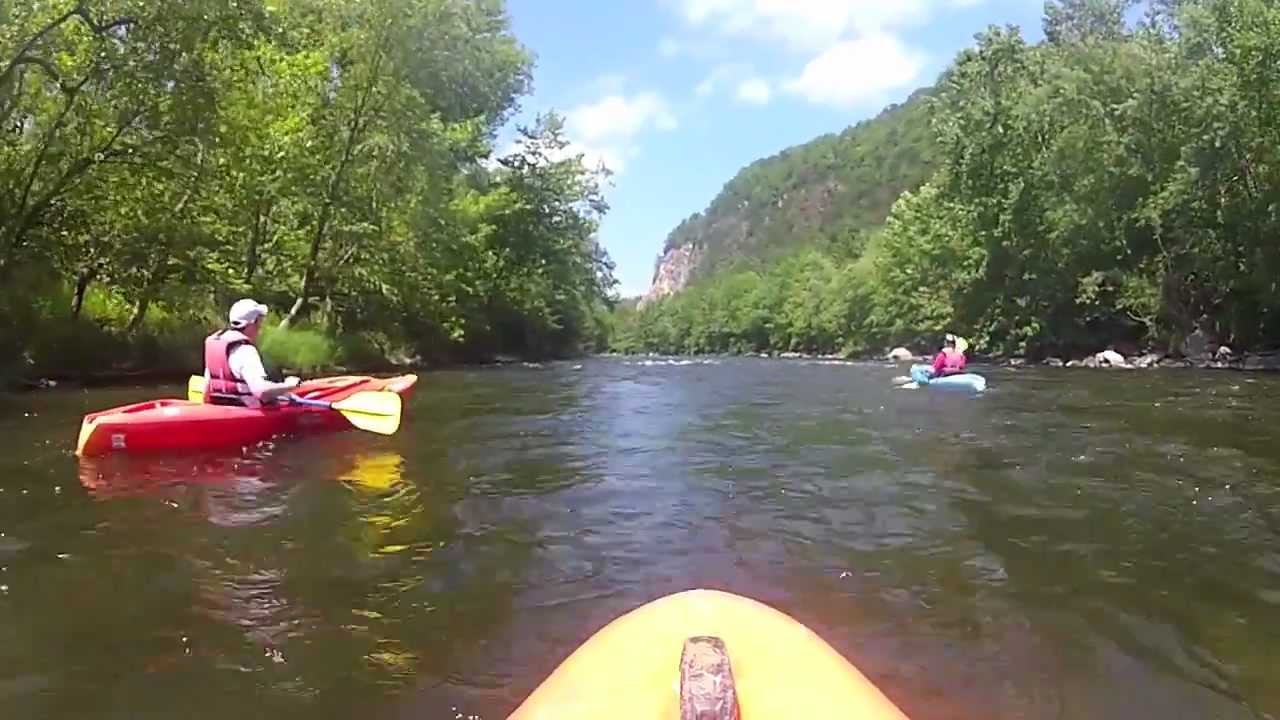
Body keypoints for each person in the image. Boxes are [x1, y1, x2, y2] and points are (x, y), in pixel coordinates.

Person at [203, 299, 300, 406]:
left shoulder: (217, 344)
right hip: (246, 411)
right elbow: (261, 391)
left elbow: (207, 387)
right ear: (253, 322)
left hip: (220, 407)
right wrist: (289, 385)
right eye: (260, 320)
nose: (261, 325)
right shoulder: (246, 351)